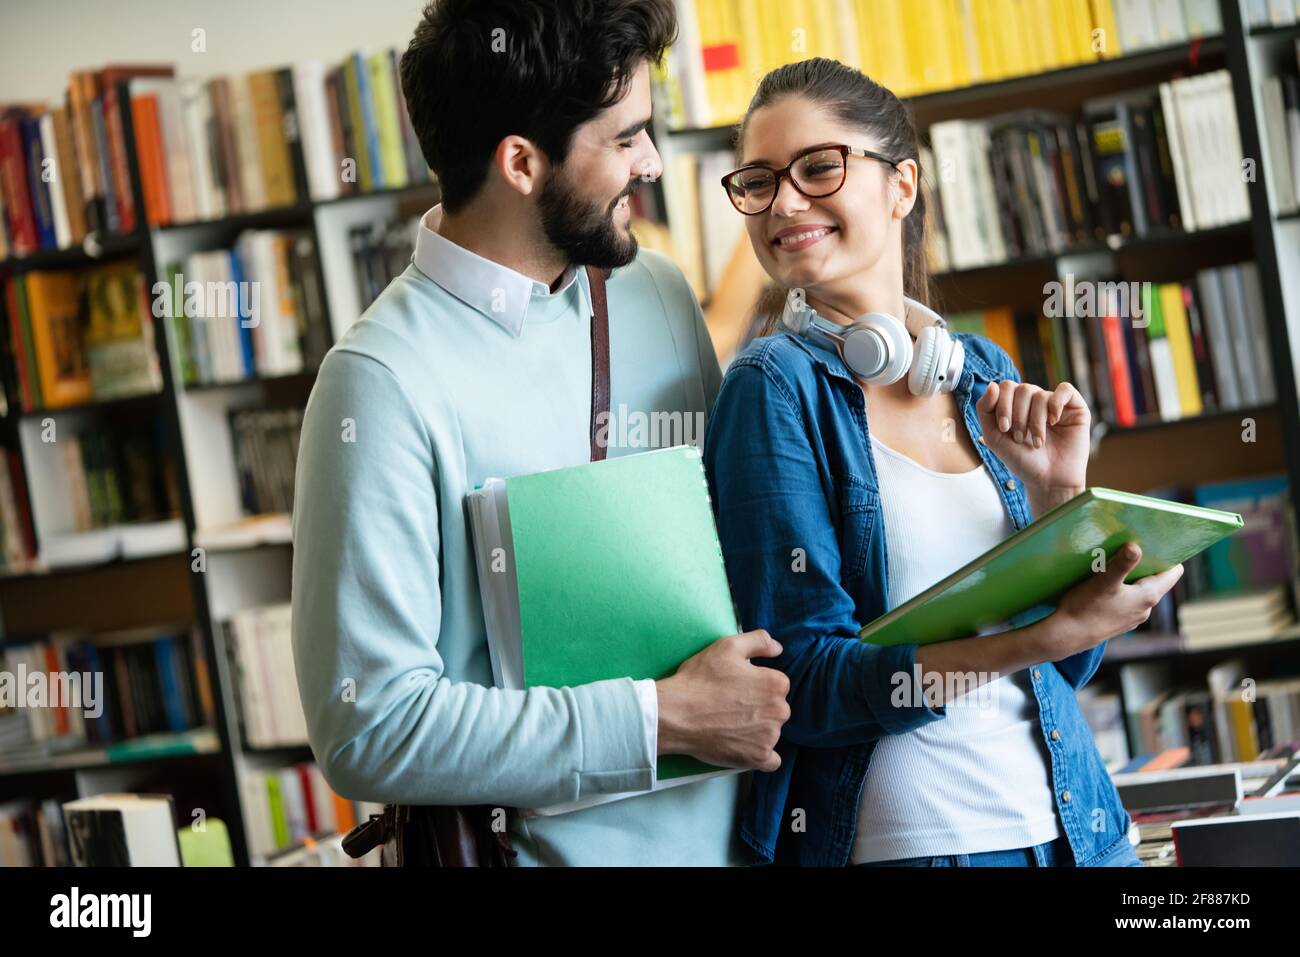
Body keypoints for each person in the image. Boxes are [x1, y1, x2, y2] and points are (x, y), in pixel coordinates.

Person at [291, 0, 789, 867]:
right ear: (520, 162)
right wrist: (660, 717)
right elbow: (366, 721)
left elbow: (740, 549)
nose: (653, 163)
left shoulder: (656, 293)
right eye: (626, 138)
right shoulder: (378, 382)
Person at [702, 58, 1184, 867]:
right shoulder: (770, 389)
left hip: (1081, 836)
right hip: (921, 848)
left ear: (902, 186)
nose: (784, 203)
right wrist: (1033, 640)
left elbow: (1068, 663)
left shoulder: (981, 369)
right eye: (758, 181)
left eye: (820, 166)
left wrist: (1061, 495)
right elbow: (804, 688)